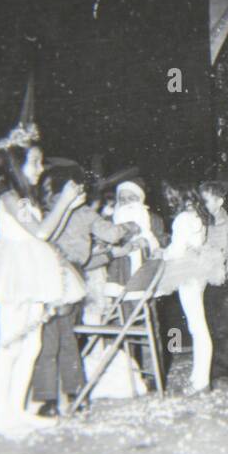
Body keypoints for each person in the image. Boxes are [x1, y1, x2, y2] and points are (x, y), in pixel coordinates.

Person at [0, 125, 87, 439]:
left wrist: (68, 208)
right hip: (15, 271)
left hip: (34, 268)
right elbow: (39, 233)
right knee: (11, 342)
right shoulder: (7, 194)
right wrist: (65, 203)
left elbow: (45, 232)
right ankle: (2, 415)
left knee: (33, 342)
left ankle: (18, 408)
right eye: (36, 162)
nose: (40, 169)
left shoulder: (26, 196)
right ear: (17, 163)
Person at [31, 162, 136, 416]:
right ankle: (76, 391)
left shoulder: (44, 211)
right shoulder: (86, 213)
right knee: (67, 337)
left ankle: (47, 400)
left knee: (46, 337)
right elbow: (112, 234)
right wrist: (130, 227)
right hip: (70, 277)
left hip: (42, 274)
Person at [157, 183, 220, 395]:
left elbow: (176, 251)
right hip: (199, 270)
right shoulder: (198, 216)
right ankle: (199, 378)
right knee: (198, 325)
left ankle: (201, 381)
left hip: (187, 271)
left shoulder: (183, 218)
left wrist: (160, 253)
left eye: (169, 194)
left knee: (197, 325)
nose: (168, 199)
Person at [199, 182, 228, 387]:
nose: (201, 204)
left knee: (221, 327)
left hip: (218, 280)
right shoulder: (196, 221)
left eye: (206, 199)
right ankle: (200, 371)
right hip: (195, 278)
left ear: (219, 201)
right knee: (199, 326)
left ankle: (221, 374)